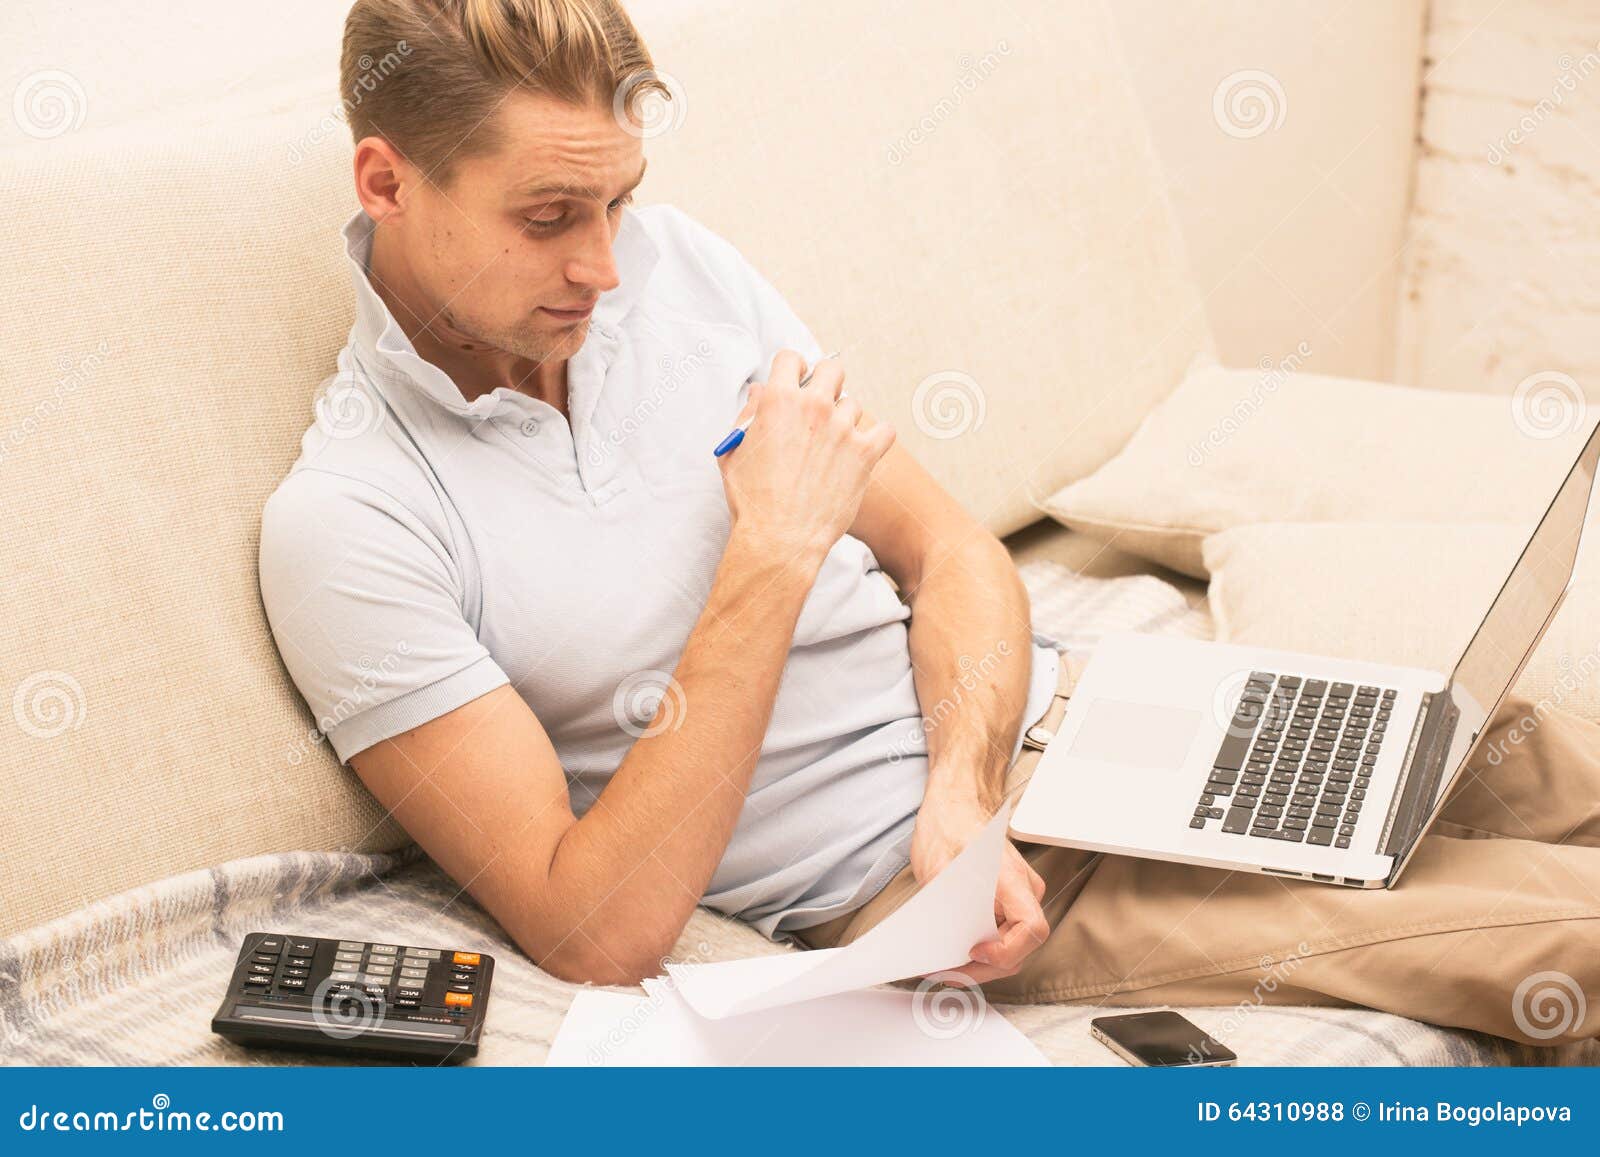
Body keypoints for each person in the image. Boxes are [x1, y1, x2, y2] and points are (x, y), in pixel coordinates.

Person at [260, 0, 1600, 1046]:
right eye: (551, 217)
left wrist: (963, 790)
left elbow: (954, 553)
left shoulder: (676, 271)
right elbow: (592, 927)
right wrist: (773, 556)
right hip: (975, 897)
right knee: (1567, 946)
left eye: (620, 199)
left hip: (1091, 725)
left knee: (1562, 771)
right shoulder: (355, 526)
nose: (608, 264)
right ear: (387, 183)